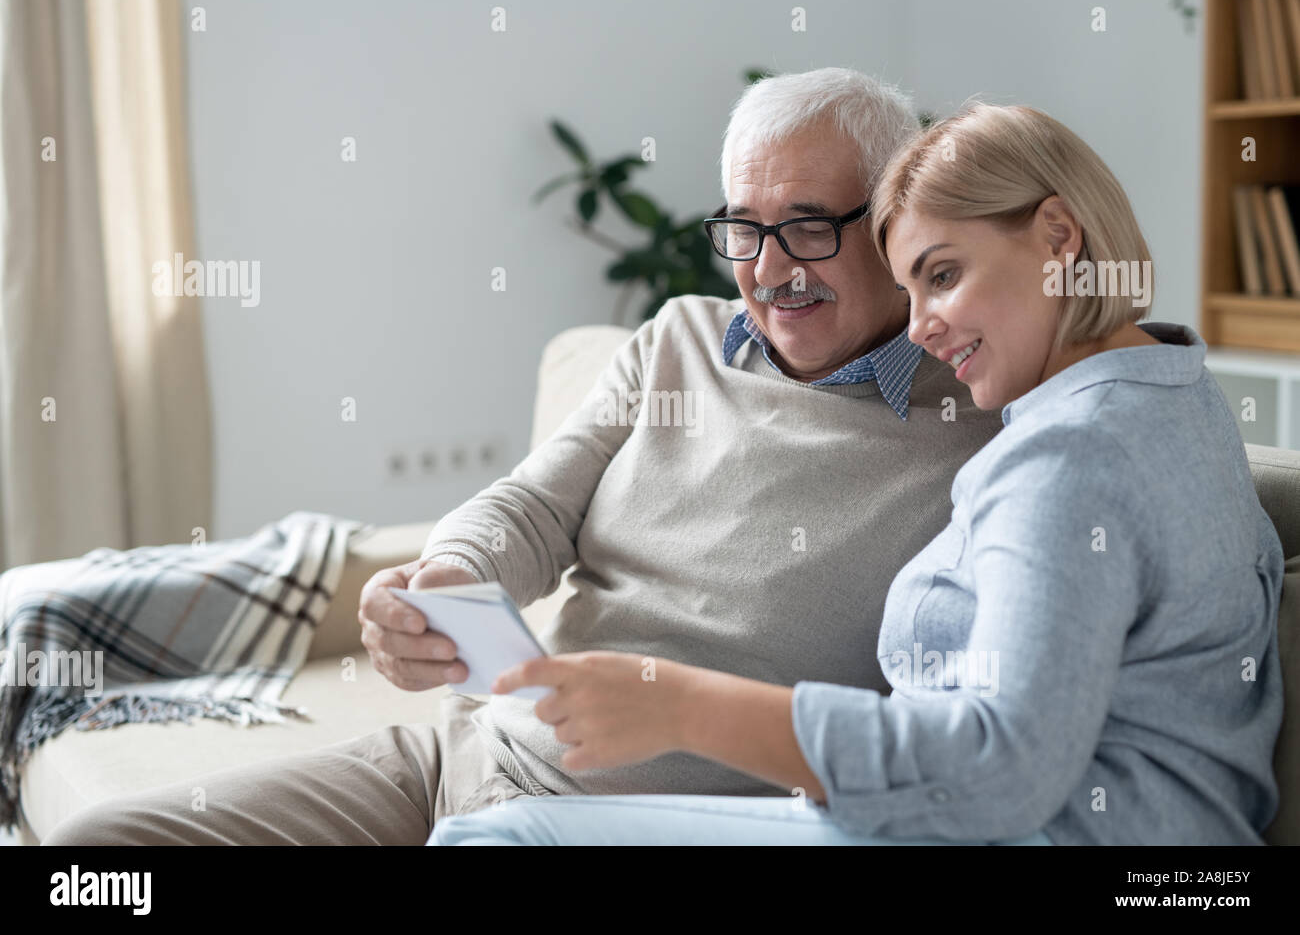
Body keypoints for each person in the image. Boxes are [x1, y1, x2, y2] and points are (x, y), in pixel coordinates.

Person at [43, 69, 1006, 845]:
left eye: (805, 225)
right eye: (742, 230)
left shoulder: (984, 429)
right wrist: (449, 579)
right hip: (464, 761)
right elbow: (531, 508)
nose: (767, 268)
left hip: (634, 824)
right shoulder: (676, 338)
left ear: (892, 222)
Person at [431, 103, 1285, 846]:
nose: (920, 330)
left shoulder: (1066, 457)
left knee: (509, 837)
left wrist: (681, 706)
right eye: (911, 289)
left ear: (1059, 239)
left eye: (943, 275)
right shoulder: (1179, 388)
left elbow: (1001, 767)